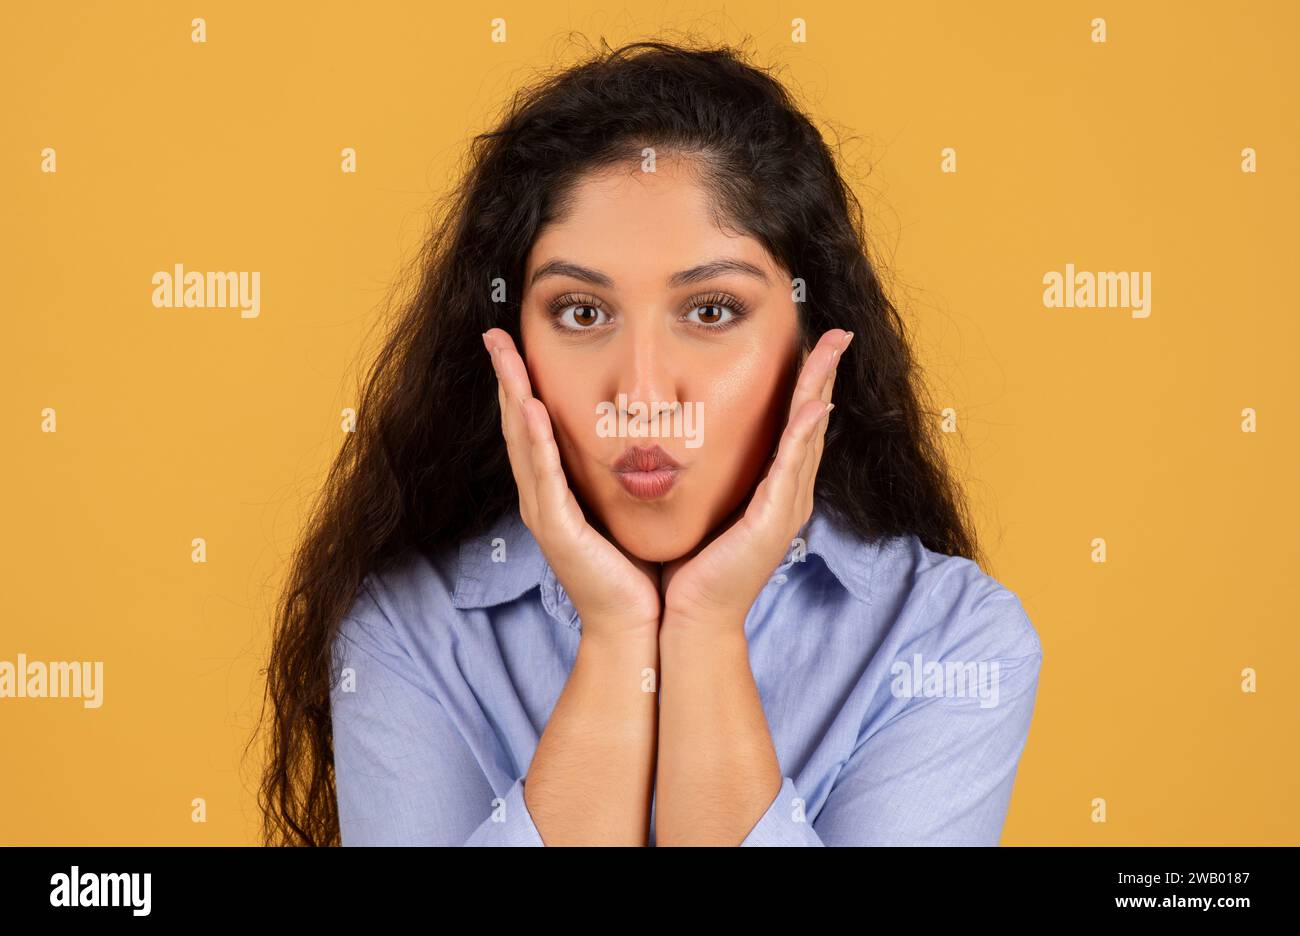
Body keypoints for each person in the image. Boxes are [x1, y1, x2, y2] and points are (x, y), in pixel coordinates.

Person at [258, 39, 1043, 846]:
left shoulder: (952, 640)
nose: (640, 399)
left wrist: (704, 629)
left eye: (710, 311)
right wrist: (616, 637)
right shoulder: (407, 629)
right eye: (582, 313)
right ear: (507, 347)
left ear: (815, 341)